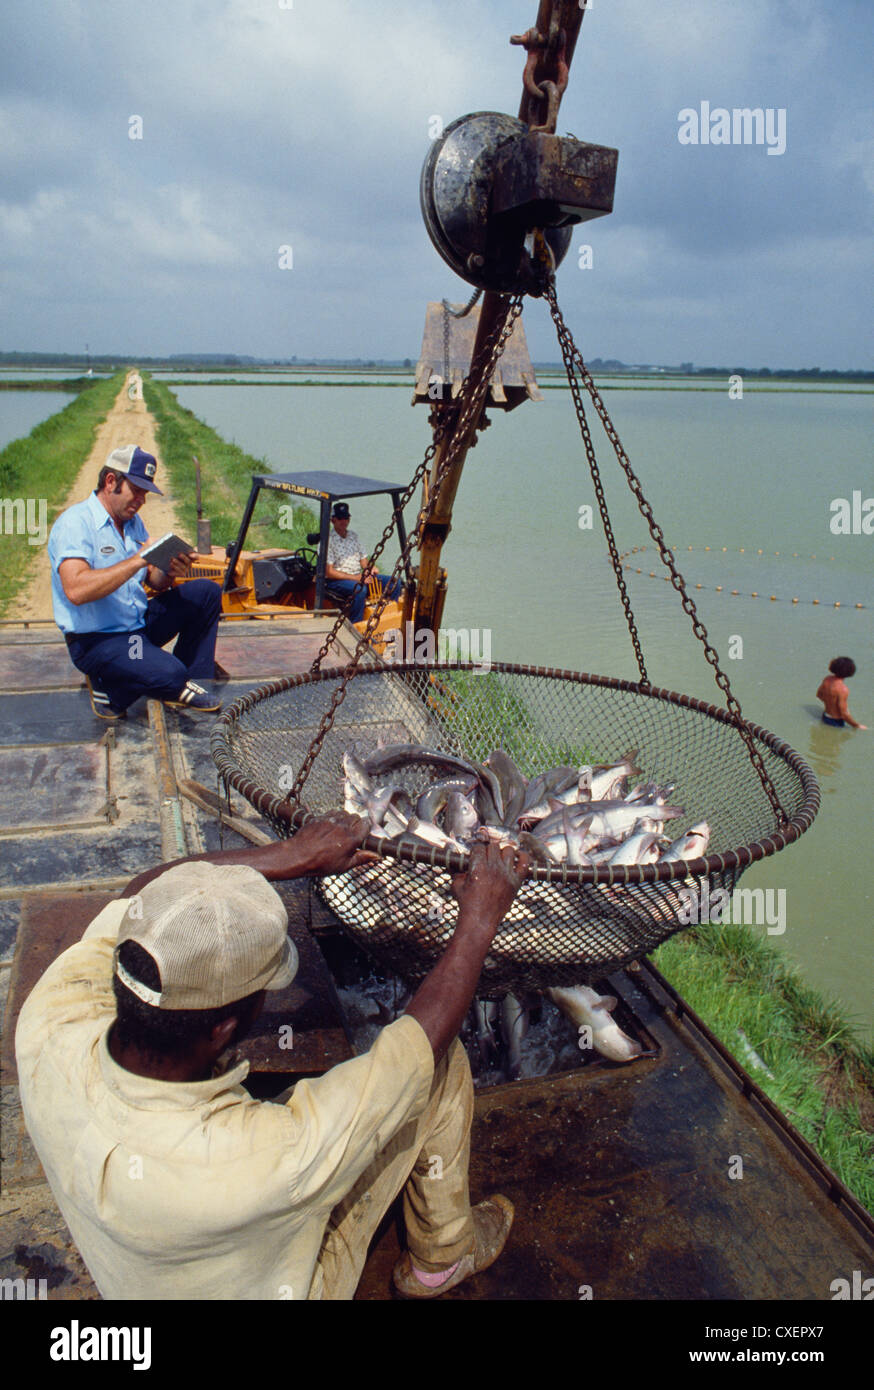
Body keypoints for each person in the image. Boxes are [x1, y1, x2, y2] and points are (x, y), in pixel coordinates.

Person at [15, 812, 529, 1300]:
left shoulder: (51, 1017)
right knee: (438, 1063)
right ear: (223, 1029)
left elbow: (137, 895)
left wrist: (293, 855)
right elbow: (412, 1050)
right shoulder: (264, 1154)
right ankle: (442, 1258)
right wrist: (479, 921)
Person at [48, 444, 223, 719]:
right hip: (98, 640)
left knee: (207, 592)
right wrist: (138, 559)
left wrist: (169, 569)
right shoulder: (75, 523)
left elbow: (155, 582)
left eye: (145, 493)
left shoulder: (132, 522)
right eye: (137, 491)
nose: (141, 500)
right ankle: (115, 687)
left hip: (135, 631)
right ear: (110, 482)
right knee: (171, 672)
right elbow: (76, 591)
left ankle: (189, 684)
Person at [325, 501, 402, 623]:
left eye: (346, 518)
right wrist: (356, 578)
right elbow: (329, 572)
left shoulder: (353, 536)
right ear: (333, 520)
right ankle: (356, 625)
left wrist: (370, 569)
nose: (344, 521)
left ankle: (390, 619)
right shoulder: (327, 541)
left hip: (358, 577)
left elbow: (364, 561)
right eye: (340, 518)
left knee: (394, 583)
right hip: (337, 581)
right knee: (360, 590)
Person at [816, 656, 866, 730]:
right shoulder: (843, 690)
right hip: (836, 721)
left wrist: (830, 704)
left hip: (825, 716)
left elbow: (819, 695)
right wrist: (857, 725)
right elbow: (844, 714)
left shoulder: (827, 679)